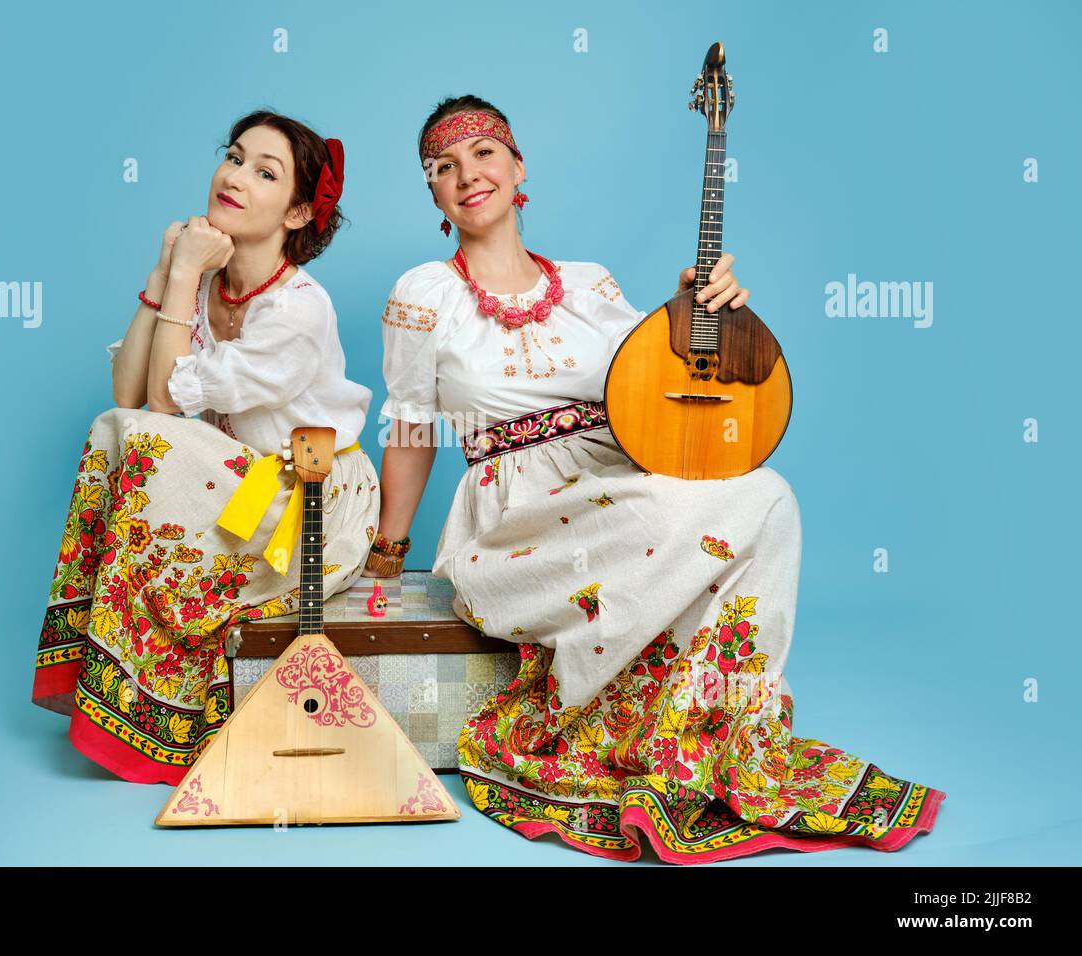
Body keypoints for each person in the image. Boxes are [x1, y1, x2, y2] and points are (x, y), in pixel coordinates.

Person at [365, 94, 946, 862]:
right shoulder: (422, 293)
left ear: (518, 167)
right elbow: (411, 426)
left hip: (623, 480)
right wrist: (386, 552)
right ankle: (593, 712)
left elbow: (658, 371)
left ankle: (713, 728)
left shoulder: (590, 282)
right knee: (685, 514)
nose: (467, 175)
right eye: (443, 166)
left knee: (768, 496)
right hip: (519, 518)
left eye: (483, 153)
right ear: (434, 194)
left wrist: (707, 304)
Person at [32, 111, 380, 785]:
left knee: (151, 440)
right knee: (114, 430)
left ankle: (160, 702)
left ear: (300, 211)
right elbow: (129, 392)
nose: (235, 175)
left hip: (306, 499)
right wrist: (167, 270)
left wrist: (185, 272)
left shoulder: (298, 308)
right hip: (238, 484)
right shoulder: (209, 284)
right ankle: (105, 678)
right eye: (234, 156)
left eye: (265, 172)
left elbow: (163, 405)